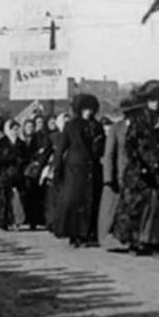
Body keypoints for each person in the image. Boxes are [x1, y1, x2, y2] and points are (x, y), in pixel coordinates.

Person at [113, 80, 159, 257]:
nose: (156, 103)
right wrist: (139, 167)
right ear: (147, 100)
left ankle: (154, 243)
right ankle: (135, 242)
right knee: (135, 207)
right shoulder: (137, 119)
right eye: (152, 99)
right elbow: (130, 145)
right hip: (138, 171)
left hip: (158, 171)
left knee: (156, 207)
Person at [52, 94, 106, 248]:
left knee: (90, 201)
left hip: (91, 168)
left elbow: (102, 146)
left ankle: (87, 234)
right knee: (74, 201)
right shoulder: (71, 126)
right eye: (85, 109)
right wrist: (57, 169)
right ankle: (73, 234)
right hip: (74, 168)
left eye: (91, 109)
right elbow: (61, 149)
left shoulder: (97, 126)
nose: (88, 112)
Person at [100, 96, 141, 247]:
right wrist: (108, 177)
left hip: (139, 173)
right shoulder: (116, 129)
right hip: (121, 173)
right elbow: (109, 154)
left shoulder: (141, 128)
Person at [0, 120, 23, 231]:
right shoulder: (1, 143)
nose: (16, 132)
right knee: (3, 198)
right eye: (14, 129)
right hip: (4, 174)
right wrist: (11, 158)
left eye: (18, 129)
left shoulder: (20, 143)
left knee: (14, 198)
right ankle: (2, 220)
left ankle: (14, 220)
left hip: (16, 174)